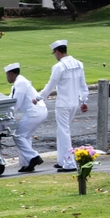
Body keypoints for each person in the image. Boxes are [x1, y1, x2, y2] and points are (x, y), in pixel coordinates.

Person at [35, 39, 89, 172]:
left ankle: (69, 162)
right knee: (62, 131)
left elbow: (51, 84)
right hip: (74, 103)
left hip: (63, 103)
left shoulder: (59, 66)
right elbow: (83, 85)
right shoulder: (78, 63)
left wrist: (39, 97)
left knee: (64, 132)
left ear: (58, 52)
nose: (55, 56)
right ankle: (62, 160)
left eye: (54, 53)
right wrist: (84, 100)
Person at [6, 62, 47, 172]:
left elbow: (16, 102)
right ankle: (27, 163)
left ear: (11, 73)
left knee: (18, 135)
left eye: (7, 75)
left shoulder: (20, 83)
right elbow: (11, 98)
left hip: (35, 112)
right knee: (25, 136)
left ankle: (34, 157)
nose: (6, 77)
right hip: (38, 112)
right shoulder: (19, 82)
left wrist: (7, 115)